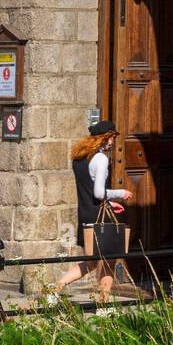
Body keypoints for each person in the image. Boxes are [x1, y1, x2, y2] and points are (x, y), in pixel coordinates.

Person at [53, 119, 133, 303]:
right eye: (111, 138)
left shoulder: (80, 158)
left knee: (92, 260)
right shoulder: (101, 158)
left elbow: (88, 190)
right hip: (99, 217)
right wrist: (121, 193)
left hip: (87, 213)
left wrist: (111, 205)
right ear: (104, 138)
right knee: (108, 259)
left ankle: (57, 286)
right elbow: (98, 192)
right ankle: (104, 302)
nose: (113, 142)